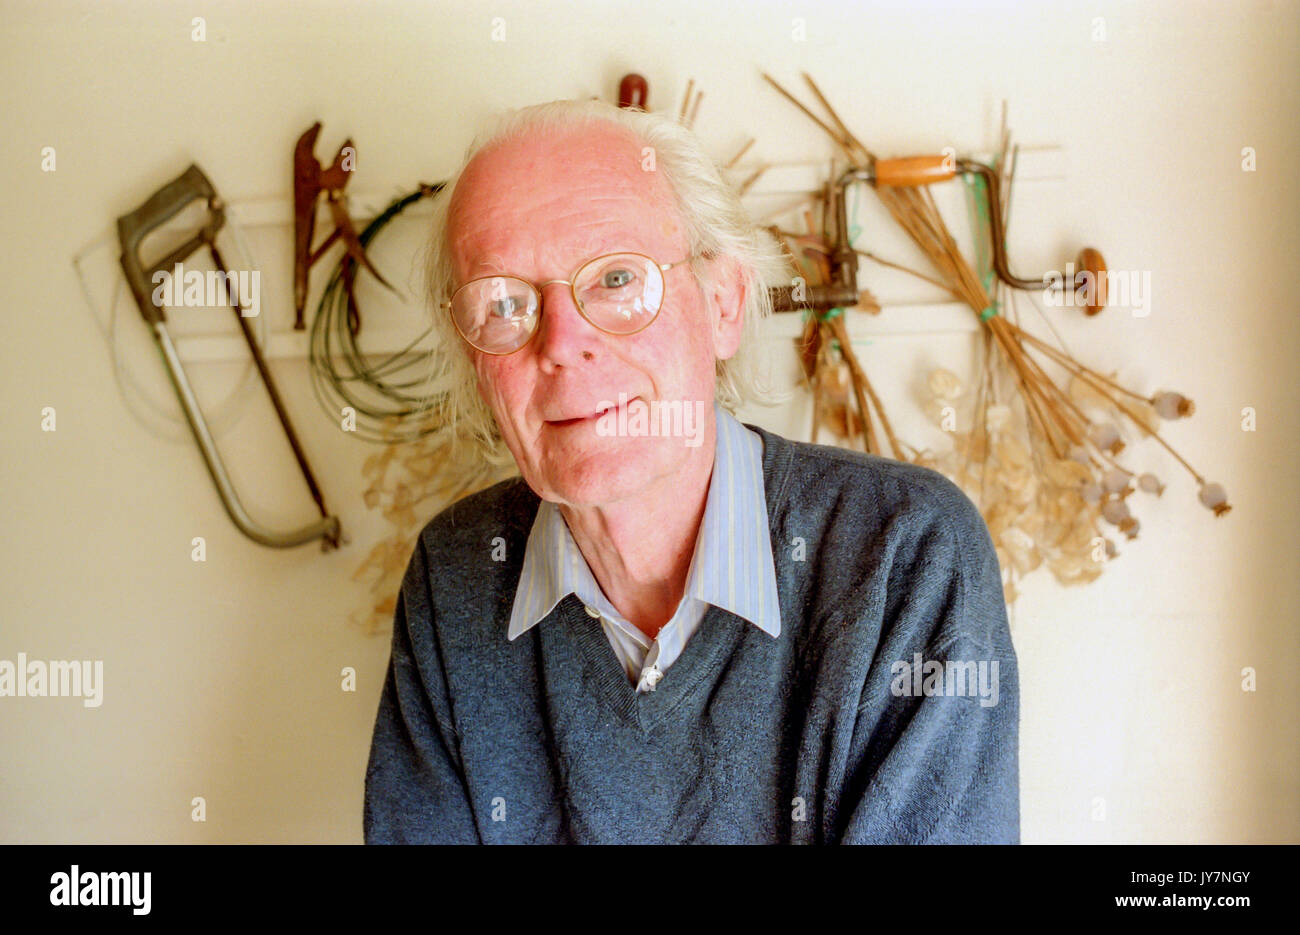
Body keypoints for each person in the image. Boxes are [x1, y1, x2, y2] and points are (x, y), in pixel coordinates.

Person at [363, 98, 1019, 844]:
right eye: (505, 303)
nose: (563, 343)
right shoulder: (456, 576)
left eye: (616, 280)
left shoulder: (905, 555)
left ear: (725, 304)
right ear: (477, 365)